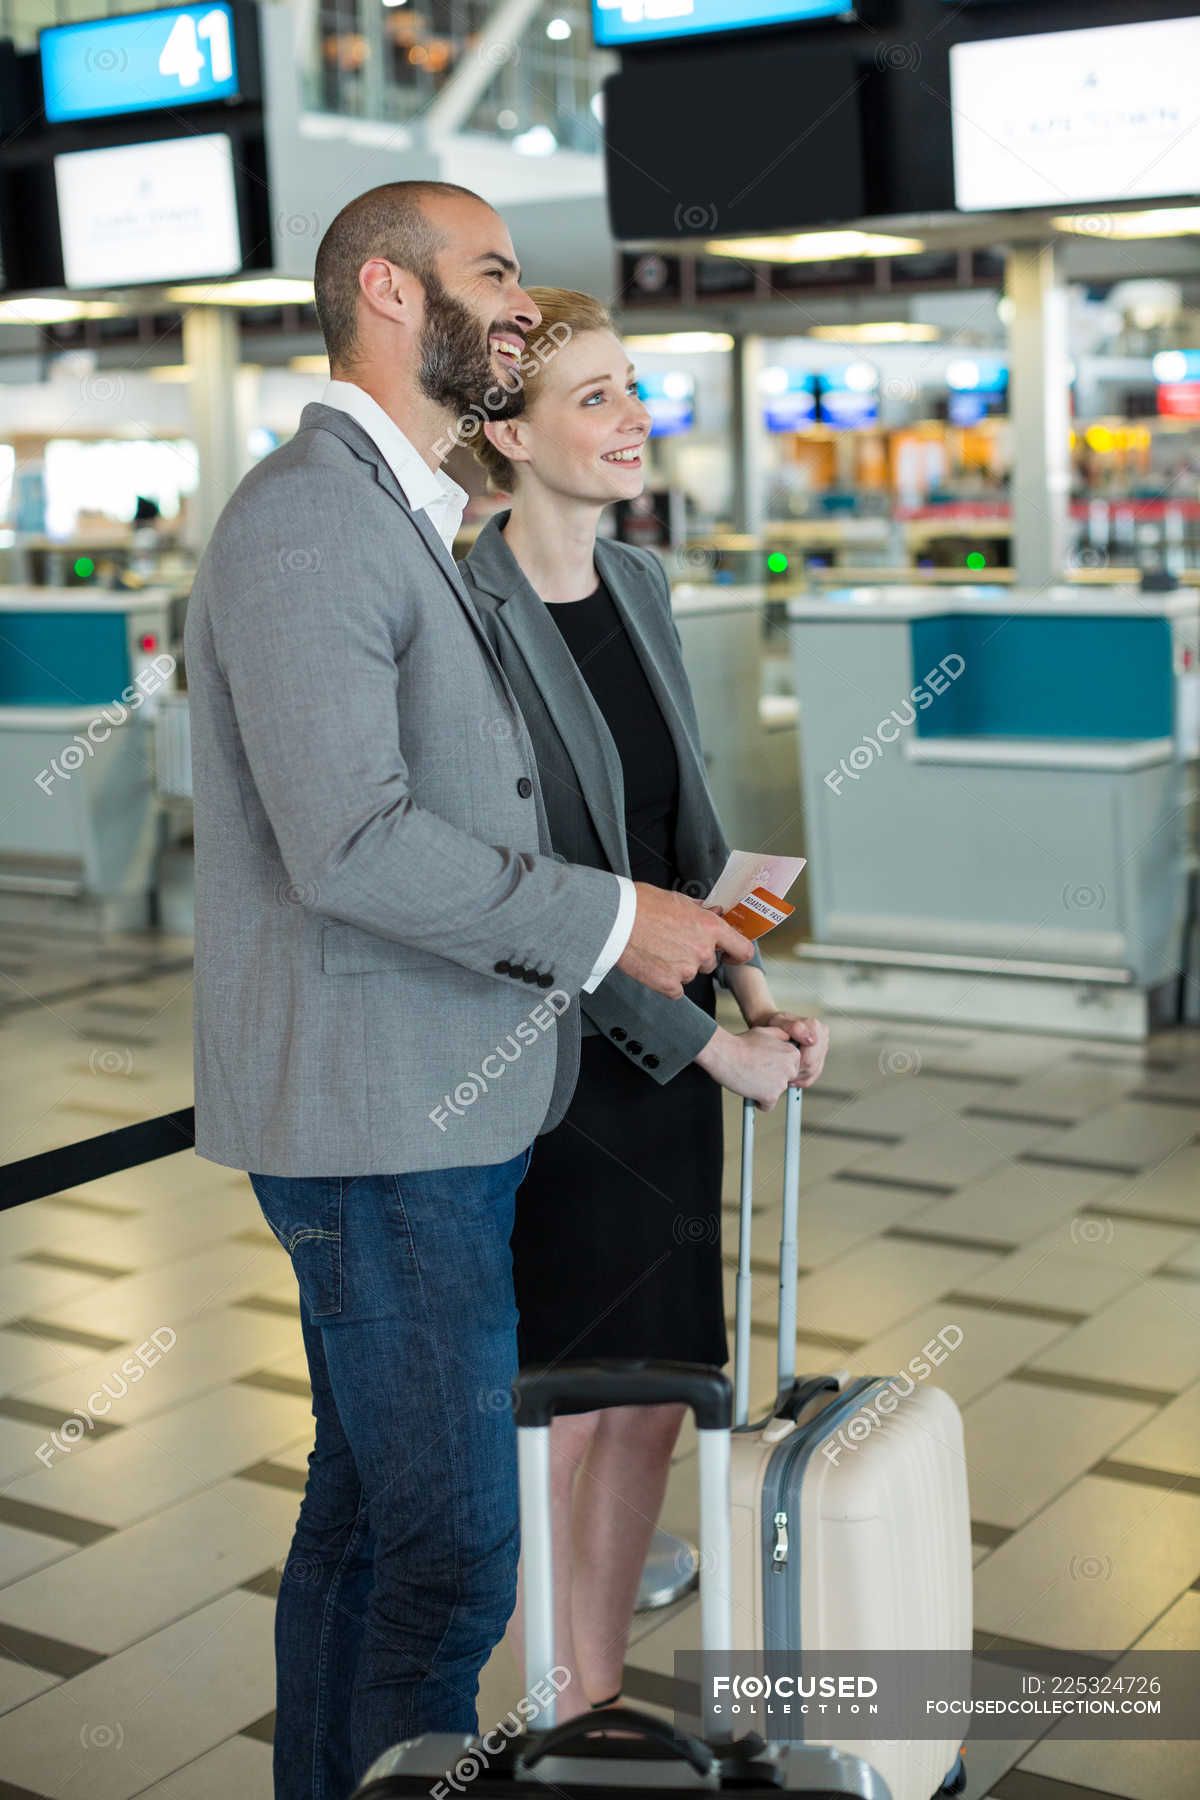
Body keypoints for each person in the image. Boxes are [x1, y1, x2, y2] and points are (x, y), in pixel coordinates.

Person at [183, 188, 755, 1798]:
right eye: (493, 274)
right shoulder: (311, 516)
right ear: (387, 290)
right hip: (376, 1129)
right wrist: (607, 925)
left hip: (436, 1107)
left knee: (370, 1522)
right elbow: (349, 842)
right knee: (446, 1561)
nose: (519, 305)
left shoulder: (398, 508)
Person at [458, 288, 830, 1721]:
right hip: (554, 1064)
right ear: (506, 430)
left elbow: (680, 831)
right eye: (597, 396)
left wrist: (755, 986)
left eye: (635, 390)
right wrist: (708, 1050)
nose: (633, 421)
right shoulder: (468, 615)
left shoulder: (644, 584)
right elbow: (531, 886)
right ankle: (548, 1702)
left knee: (656, 1390)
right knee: (567, 1396)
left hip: (685, 1055)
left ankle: (598, 1686)